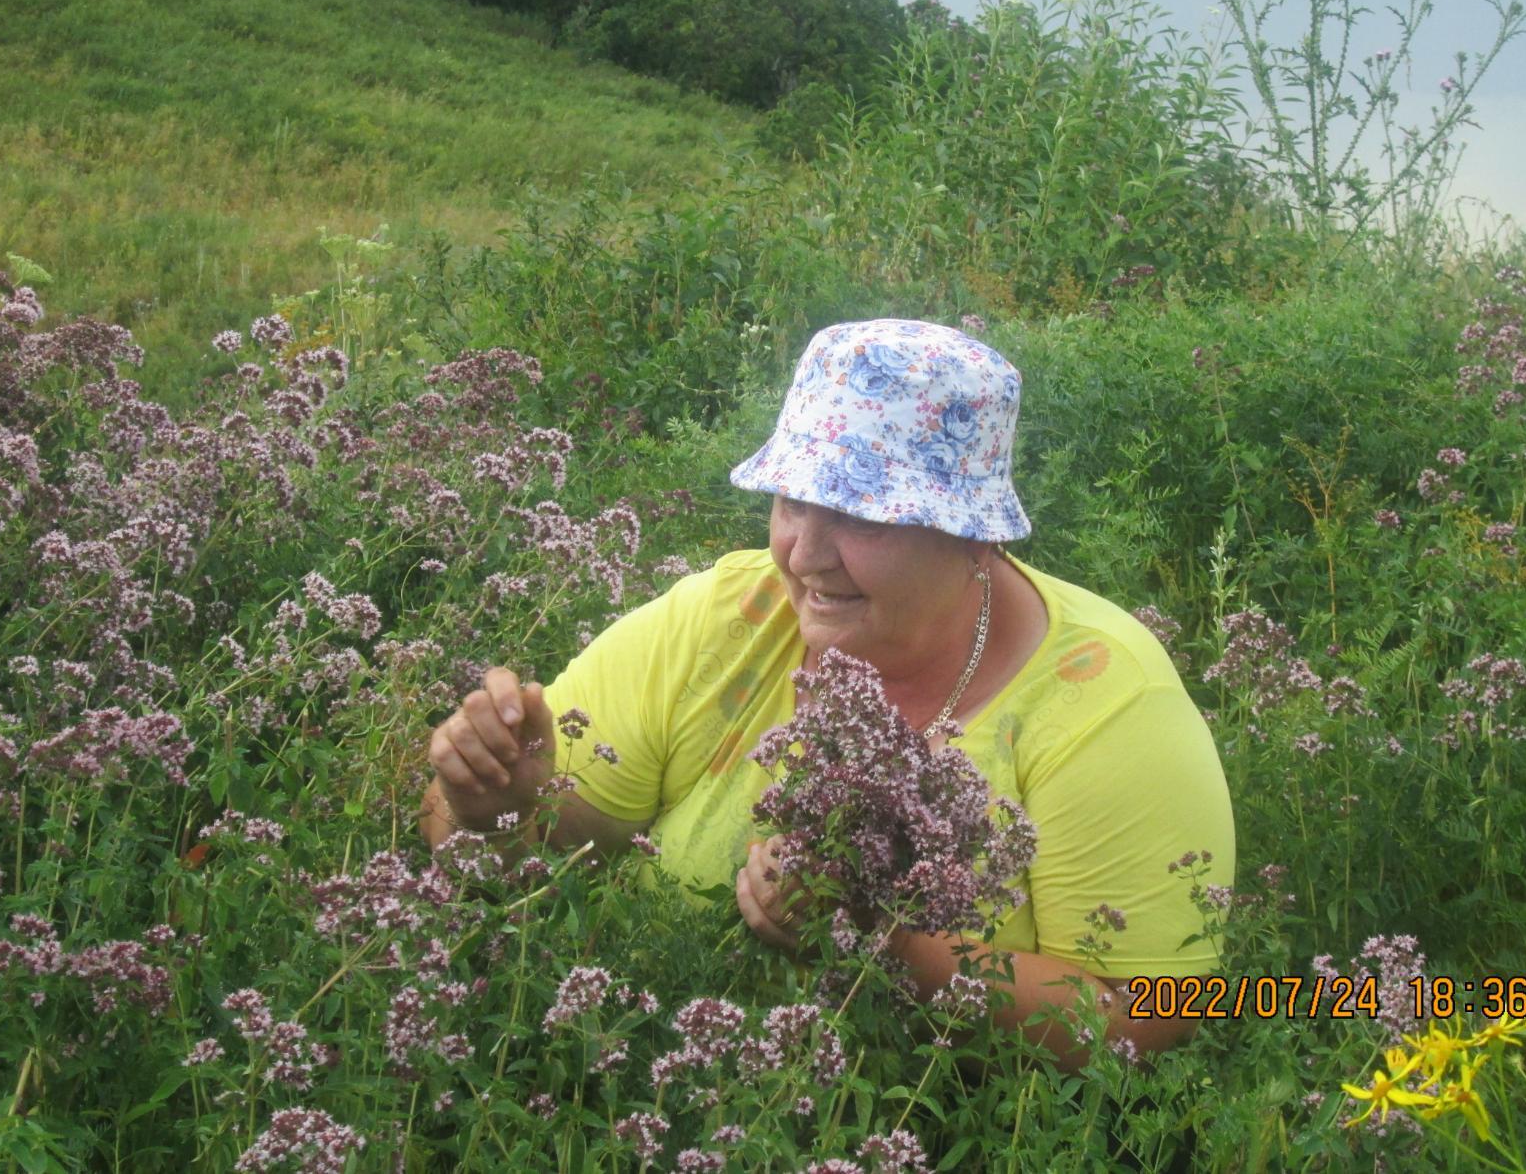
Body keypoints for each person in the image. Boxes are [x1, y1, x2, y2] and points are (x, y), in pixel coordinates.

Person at [419, 318, 1235, 1067]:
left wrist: (888, 949)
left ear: (973, 538)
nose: (804, 554)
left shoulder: (1104, 707)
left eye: (859, 516)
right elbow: (563, 849)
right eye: (790, 501)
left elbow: (1158, 1013)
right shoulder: (730, 616)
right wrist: (500, 803)